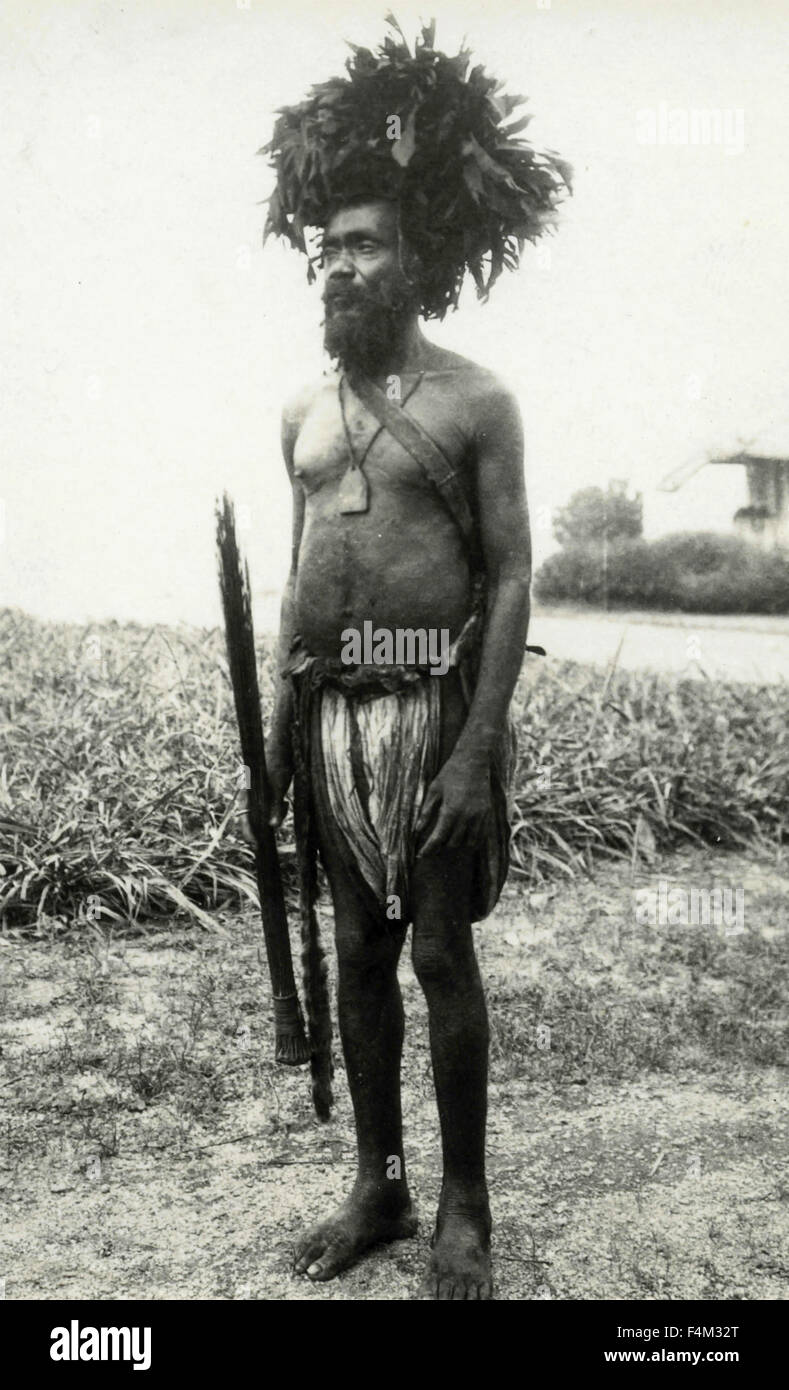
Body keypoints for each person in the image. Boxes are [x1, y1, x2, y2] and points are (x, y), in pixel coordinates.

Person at [255, 21, 569, 1299]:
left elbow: (510, 574)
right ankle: (379, 1182)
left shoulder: (475, 402)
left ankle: (464, 1207)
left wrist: (479, 748)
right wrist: (283, 726)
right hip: (334, 717)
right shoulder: (301, 412)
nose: (339, 266)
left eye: (365, 244)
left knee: (440, 952)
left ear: (417, 258)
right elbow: (294, 576)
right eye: (327, 248)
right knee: (359, 951)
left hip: (435, 712)